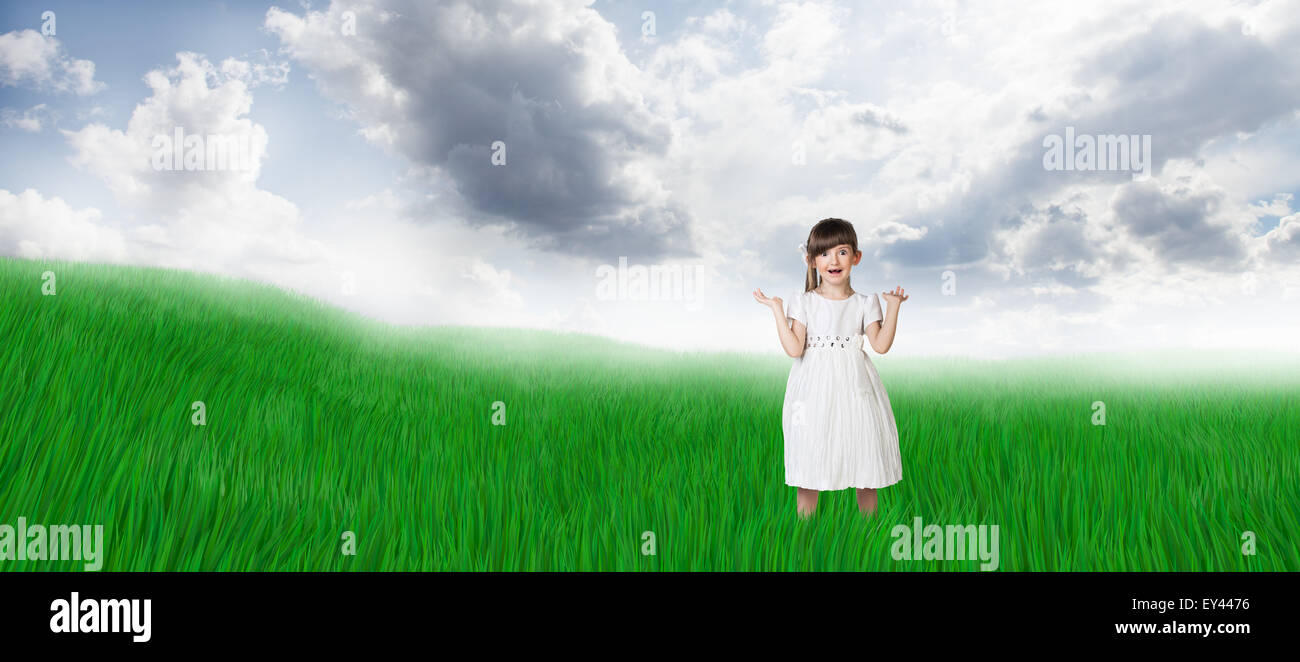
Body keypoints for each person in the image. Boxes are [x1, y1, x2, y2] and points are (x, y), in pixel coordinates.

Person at [752, 217, 909, 519]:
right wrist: (777, 311)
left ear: (856, 257)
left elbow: (880, 345)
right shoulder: (804, 301)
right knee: (811, 458)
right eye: (824, 254)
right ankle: (806, 537)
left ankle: (869, 535)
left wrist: (894, 307)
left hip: (856, 387)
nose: (833, 260)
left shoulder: (866, 302)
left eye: (841, 251)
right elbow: (795, 348)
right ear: (811, 261)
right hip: (813, 390)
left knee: (864, 456)